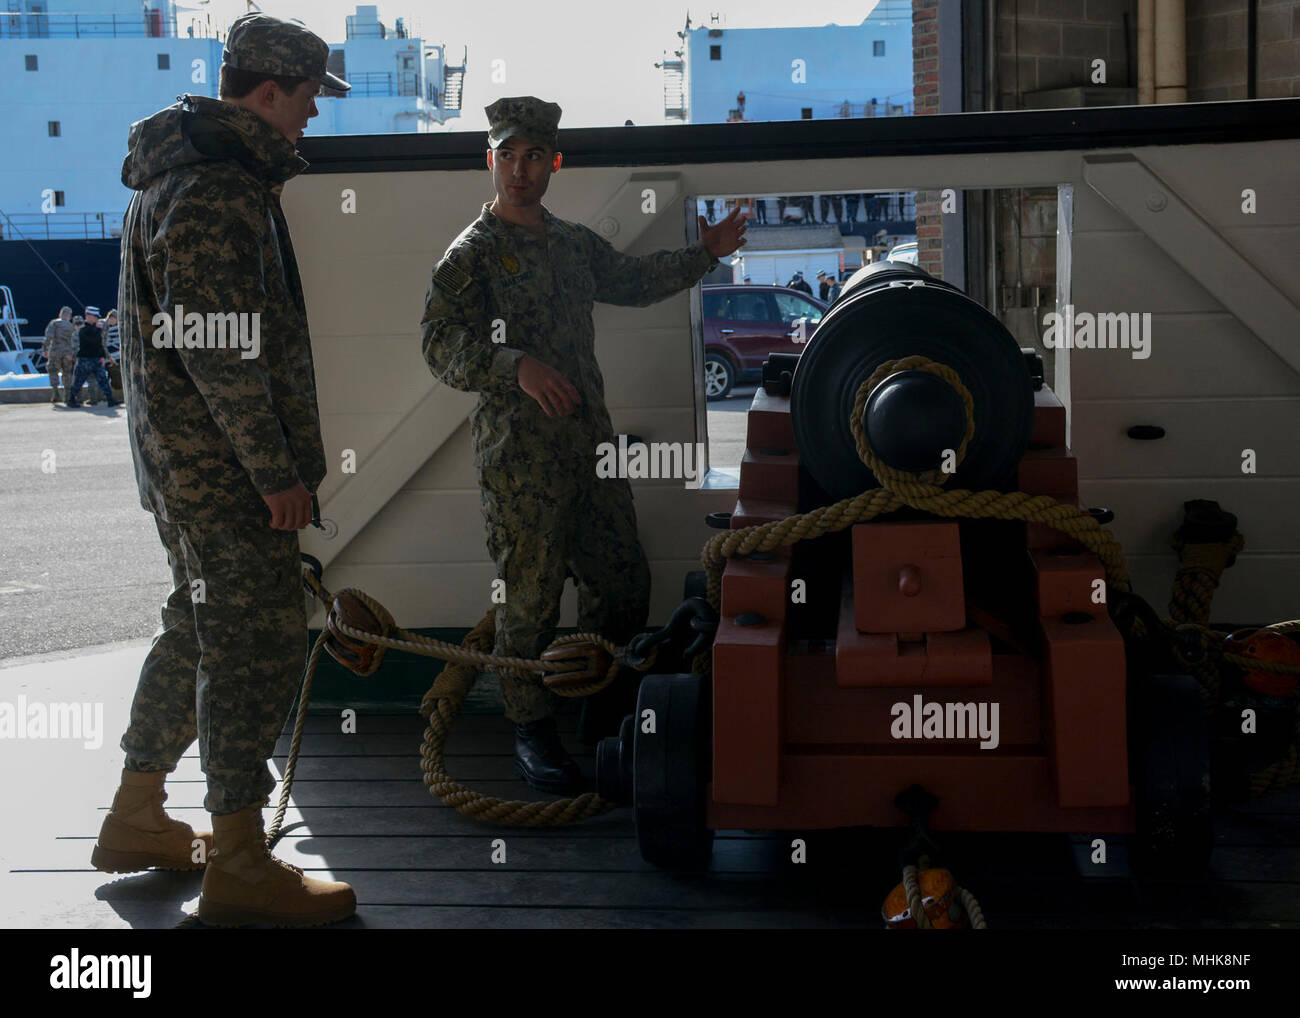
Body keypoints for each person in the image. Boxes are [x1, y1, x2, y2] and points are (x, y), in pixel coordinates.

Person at [91, 12, 356, 928]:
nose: (314, 115)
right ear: (270, 89)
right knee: (255, 642)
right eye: (312, 96)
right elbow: (217, 352)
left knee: (200, 626)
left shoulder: (189, 178)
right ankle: (240, 857)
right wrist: (275, 473)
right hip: (224, 472)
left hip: (189, 465)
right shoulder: (213, 188)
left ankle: (137, 813)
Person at [420, 96, 745, 794]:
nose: (520, 168)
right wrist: (518, 367)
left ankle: (604, 714)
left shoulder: (569, 244)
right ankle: (532, 735)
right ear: (490, 159)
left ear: (554, 162)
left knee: (624, 583)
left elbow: (631, 281)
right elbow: (439, 345)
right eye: (507, 154)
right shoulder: (471, 256)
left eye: (534, 155)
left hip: (590, 450)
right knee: (527, 605)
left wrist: (705, 254)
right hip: (519, 463)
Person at [66, 306, 119, 408]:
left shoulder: (98, 328)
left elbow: (100, 344)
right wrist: (74, 356)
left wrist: (102, 356)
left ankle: (110, 399)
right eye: (94, 316)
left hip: (96, 358)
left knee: (102, 379)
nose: (96, 319)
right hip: (84, 359)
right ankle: (71, 399)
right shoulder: (82, 330)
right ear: (88, 316)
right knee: (78, 380)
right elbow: (78, 344)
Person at [42, 305, 77, 404]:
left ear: (60, 314)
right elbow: (74, 341)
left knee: (53, 370)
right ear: (69, 316)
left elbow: (48, 337)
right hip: (67, 353)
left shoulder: (54, 323)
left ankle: (55, 392)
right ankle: (67, 395)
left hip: (55, 352)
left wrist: (44, 349)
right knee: (67, 373)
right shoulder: (71, 326)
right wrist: (73, 354)